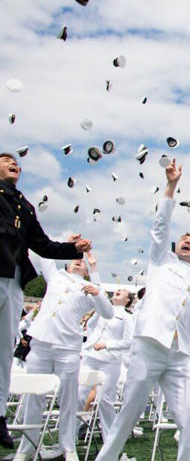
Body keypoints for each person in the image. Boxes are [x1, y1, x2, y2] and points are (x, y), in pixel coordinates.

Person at [95, 159, 190, 461]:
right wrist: (171, 186)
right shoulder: (161, 261)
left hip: (179, 355)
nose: (187, 240)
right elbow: (160, 228)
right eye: (183, 239)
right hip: (149, 345)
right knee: (128, 416)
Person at [0, 152, 91, 449]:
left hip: (13, 279)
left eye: (16, 162)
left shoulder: (24, 206)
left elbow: (41, 245)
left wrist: (73, 249)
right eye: (5, 160)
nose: (14, 164)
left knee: (3, 351)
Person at [13, 249, 112, 461]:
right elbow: (44, 253)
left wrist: (95, 276)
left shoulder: (90, 286)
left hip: (68, 345)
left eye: (82, 261)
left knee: (68, 398)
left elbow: (108, 313)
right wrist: (69, 244)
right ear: (67, 265)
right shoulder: (56, 276)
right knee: (33, 395)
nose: (78, 261)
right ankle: (27, 447)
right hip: (41, 341)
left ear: (85, 270)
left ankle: (68, 446)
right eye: (75, 259)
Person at [78, 287, 135, 439]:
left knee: (105, 400)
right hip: (91, 356)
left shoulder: (127, 317)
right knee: (79, 395)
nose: (118, 290)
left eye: (123, 291)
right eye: (117, 289)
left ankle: (109, 439)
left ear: (128, 299)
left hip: (110, 360)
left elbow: (129, 341)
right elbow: (90, 327)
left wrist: (107, 345)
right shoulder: (103, 309)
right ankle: (71, 434)